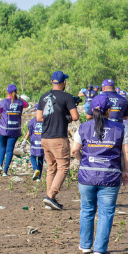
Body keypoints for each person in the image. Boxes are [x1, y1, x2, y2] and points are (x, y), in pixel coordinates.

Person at [71, 95, 128, 254]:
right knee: (106, 213)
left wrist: (82, 161)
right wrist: (125, 172)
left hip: (87, 176)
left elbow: (74, 150)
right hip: (110, 177)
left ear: (92, 110)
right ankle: (100, 249)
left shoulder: (83, 127)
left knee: (87, 210)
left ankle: (85, 245)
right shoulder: (120, 128)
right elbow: (127, 151)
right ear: (109, 111)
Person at [36, 71, 80, 211]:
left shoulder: (43, 97)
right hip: (58, 138)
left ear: (52, 81)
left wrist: (54, 117)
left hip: (45, 138)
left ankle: (50, 198)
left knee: (51, 168)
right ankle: (51, 195)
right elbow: (75, 116)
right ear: (63, 83)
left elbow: (39, 117)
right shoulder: (67, 97)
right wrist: (64, 116)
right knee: (63, 167)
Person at [0, 84, 29, 176]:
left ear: (7, 92)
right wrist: (19, 98)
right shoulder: (20, 103)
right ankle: (5, 171)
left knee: (2, 147)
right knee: (10, 150)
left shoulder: (2, 103)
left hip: (3, 129)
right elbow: (27, 104)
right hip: (15, 130)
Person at [23, 103, 44, 181]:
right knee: (41, 159)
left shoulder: (32, 121)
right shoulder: (46, 120)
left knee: (32, 156)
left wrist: (25, 140)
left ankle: (35, 169)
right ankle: (39, 177)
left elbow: (29, 132)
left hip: (34, 143)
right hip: (43, 144)